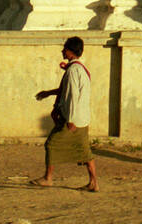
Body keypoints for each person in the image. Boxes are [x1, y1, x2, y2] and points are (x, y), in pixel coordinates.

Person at [33, 36, 99, 191]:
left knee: (52, 144)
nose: (63, 51)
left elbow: (72, 96)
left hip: (73, 119)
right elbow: (68, 91)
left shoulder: (73, 71)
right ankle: (94, 183)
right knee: (84, 150)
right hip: (81, 117)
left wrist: (69, 119)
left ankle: (48, 178)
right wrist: (49, 93)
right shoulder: (79, 68)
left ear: (70, 52)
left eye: (65, 49)